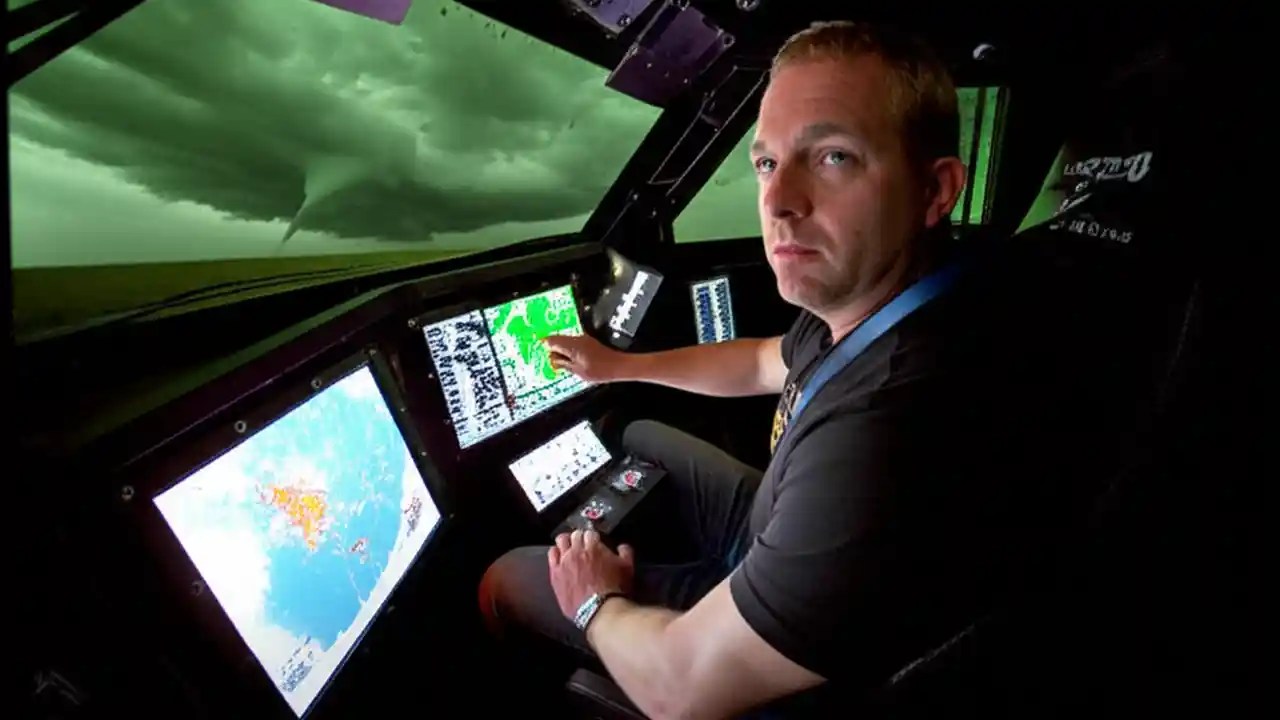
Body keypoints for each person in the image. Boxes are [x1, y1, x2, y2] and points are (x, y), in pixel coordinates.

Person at [479, 20, 1046, 719]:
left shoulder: (888, 428)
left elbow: (681, 689)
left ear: (937, 191)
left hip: (763, 656)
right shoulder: (882, 302)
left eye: (834, 157)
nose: (778, 204)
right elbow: (756, 361)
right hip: (774, 520)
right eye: (767, 164)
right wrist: (618, 366)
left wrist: (596, 599)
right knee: (638, 430)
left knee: (504, 577)